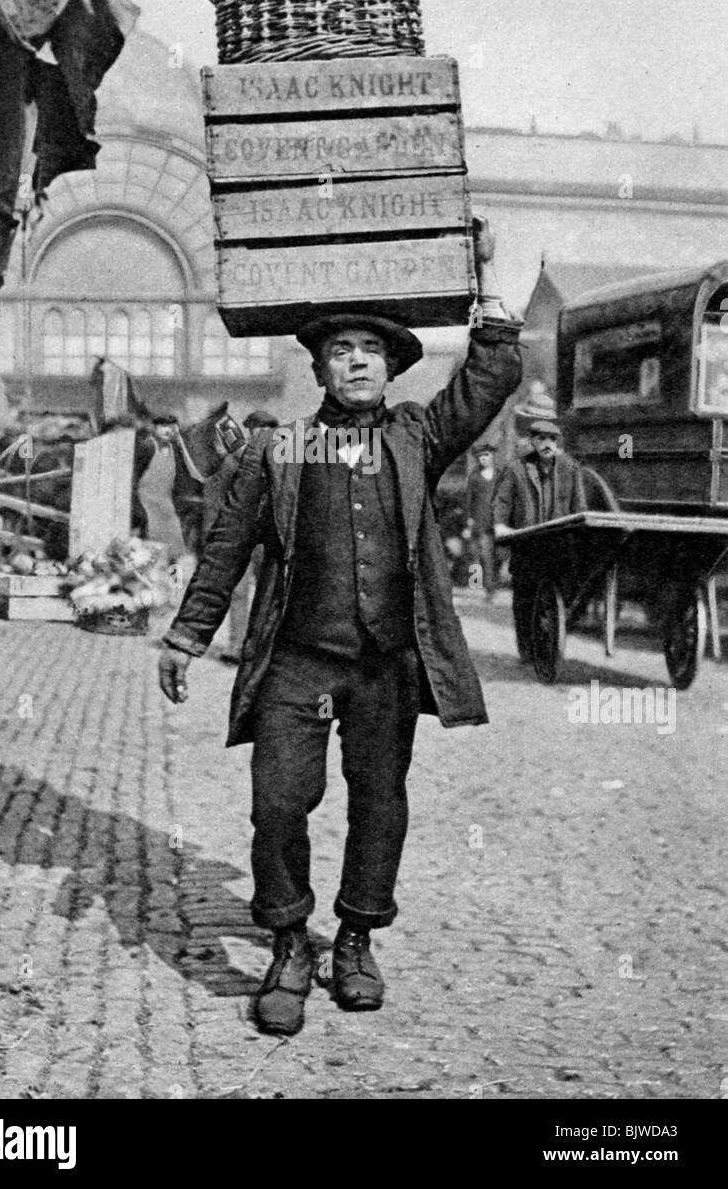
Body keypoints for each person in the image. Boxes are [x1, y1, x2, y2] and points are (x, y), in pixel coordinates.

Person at [158, 220, 523, 1037]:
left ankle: (354, 938)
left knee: (380, 803)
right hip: (295, 662)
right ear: (318, 367)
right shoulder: (277, 449)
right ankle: (289, 942)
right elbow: (226, 551)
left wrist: (487, 276)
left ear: (391, 367)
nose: (355, 360)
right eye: (340, 350)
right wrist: (186, 635)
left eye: (369, 350)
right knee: (279, 804)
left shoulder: (416, 437)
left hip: (383, 667)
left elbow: (493, 371)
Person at [492, 415, 586, 662]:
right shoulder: (516, 469)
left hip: (559, 544)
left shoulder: (570, 468)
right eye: (541, 438)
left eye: (553, 439)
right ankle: (527, 650)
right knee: (524, 597)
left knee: (557, 597)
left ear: (558, 442)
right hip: (528, 544)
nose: (547, 444)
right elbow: (502, 501)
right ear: (532, 441)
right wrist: (500, 526)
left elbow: (580, 507)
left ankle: (550, 644)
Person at [462, 440, 500, 598]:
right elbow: (468, 500)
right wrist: (468, 521)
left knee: (493, 556)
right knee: (477, 554)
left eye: (487, 455)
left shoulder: (499, 476)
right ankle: (477, 585)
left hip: (496, 522)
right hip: (478, 521)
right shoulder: (475, 477)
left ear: (492, 457)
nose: (483, 459)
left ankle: (491, 586)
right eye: (480, 456)